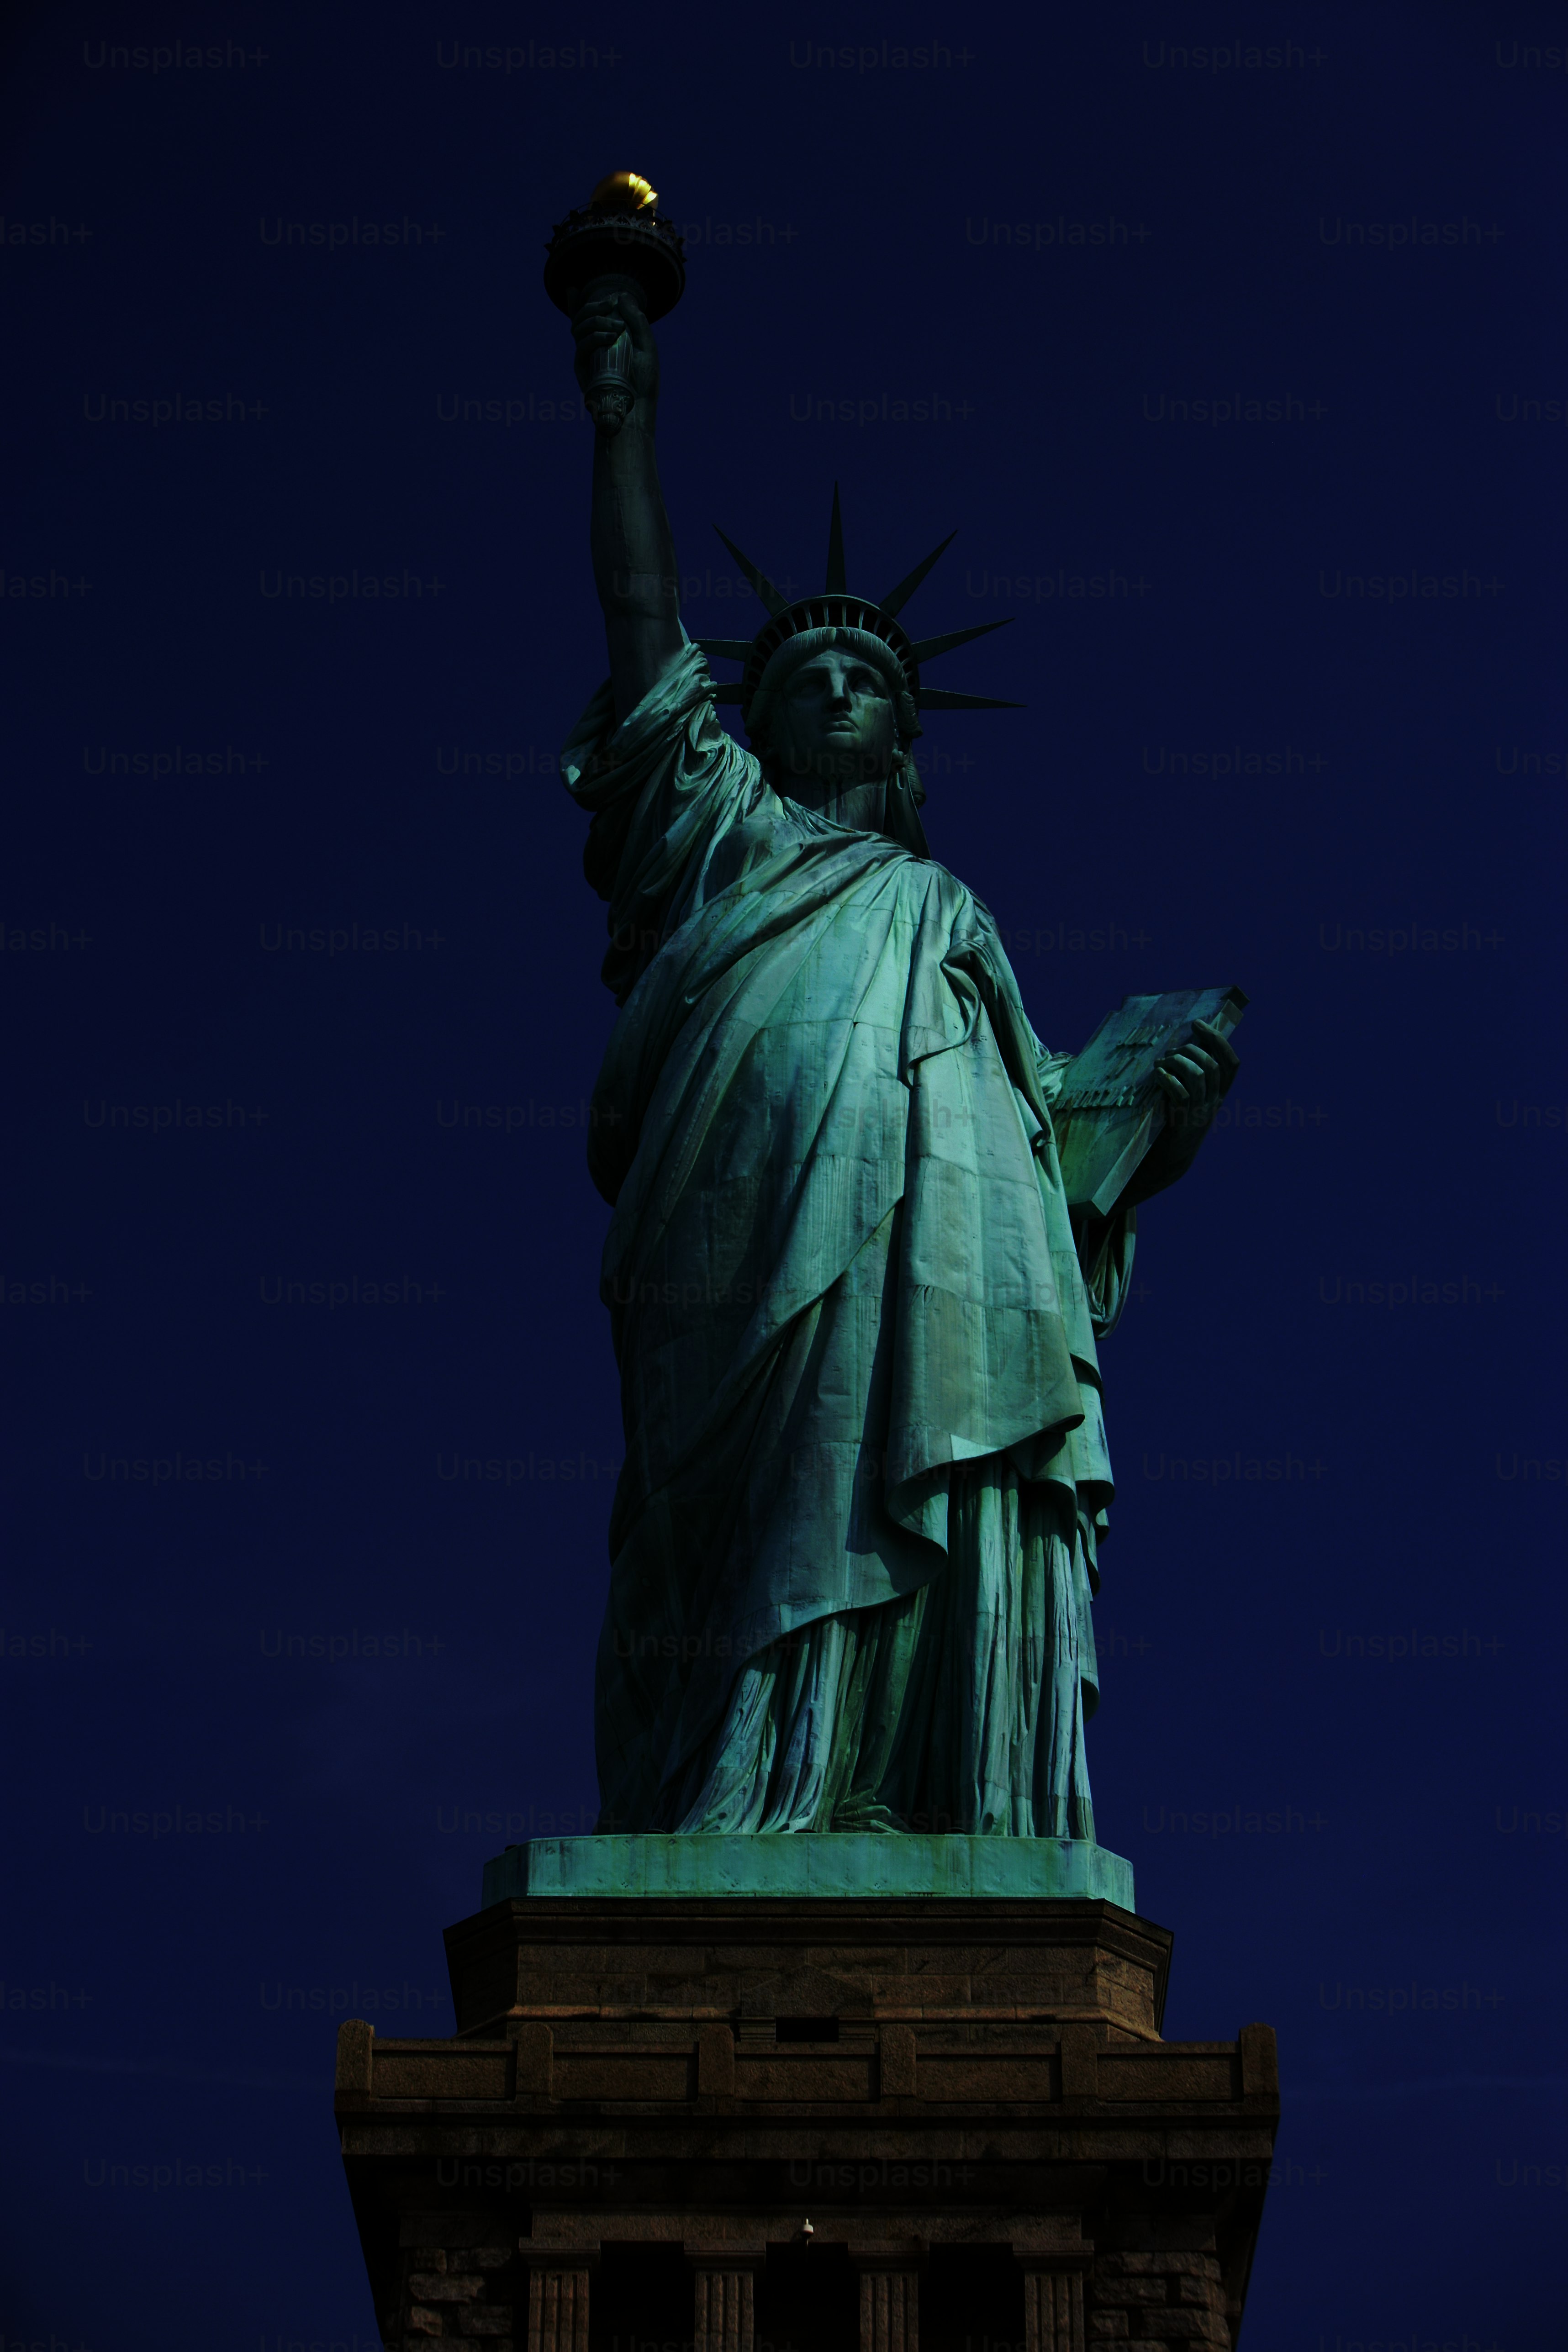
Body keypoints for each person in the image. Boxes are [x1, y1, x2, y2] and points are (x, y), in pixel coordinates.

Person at [559, 290, 1238, 1841]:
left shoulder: (949, 912)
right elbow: (644, 632)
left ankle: (908, 1783)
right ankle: (746, 1782)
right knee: (756, 1494)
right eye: (800, 679)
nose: (835, 691)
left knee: (940, 1447)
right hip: (740, 1226)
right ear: (755, 724)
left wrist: (1154, 1124)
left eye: (864, 678)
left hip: (950, 1250)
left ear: (903, 731)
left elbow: (1052, 1147)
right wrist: (622, 420)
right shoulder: (720, 835)